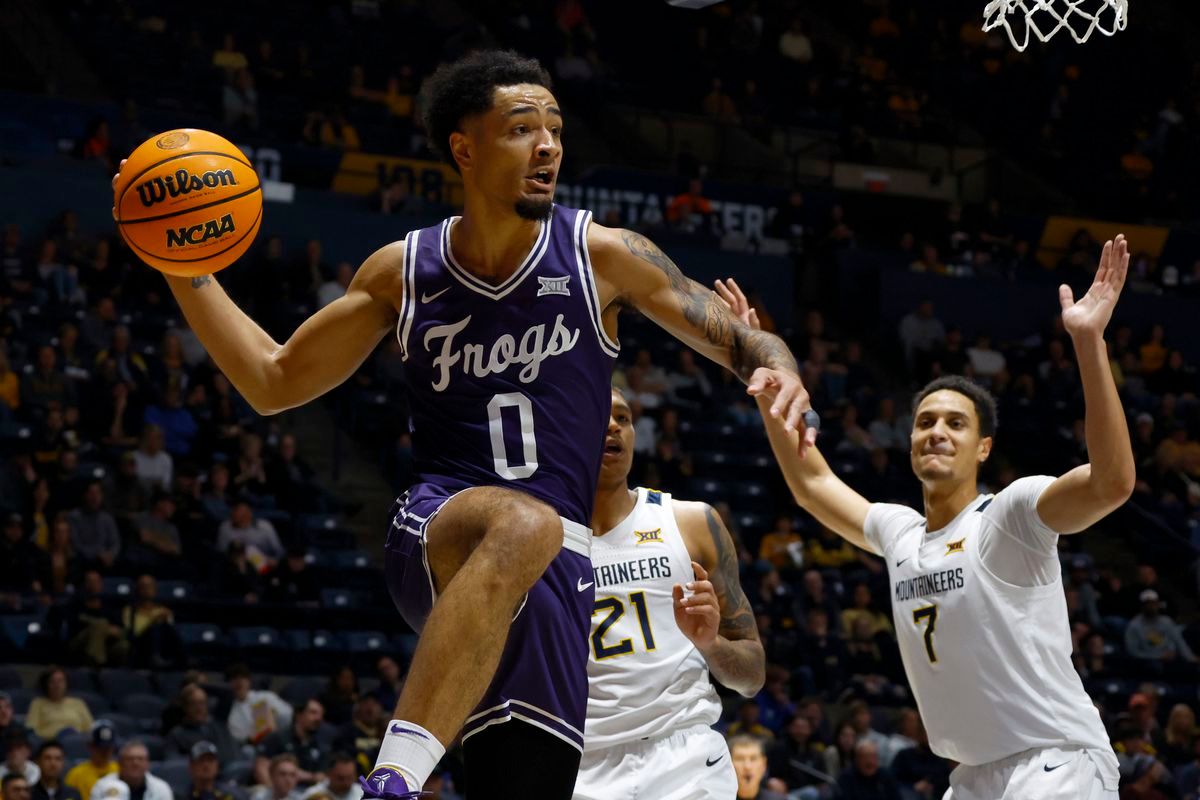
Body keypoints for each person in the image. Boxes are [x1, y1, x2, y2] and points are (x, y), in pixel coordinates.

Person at [112, 49, 810, 800]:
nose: (547, 145)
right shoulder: (404, 271)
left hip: (557, 577)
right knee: (524, 523)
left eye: (555, 129)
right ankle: (391, 782)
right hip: (441, 527)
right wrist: (186, 269)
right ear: (464, 148)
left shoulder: (603, 256)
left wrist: (780, 369)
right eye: (521, 128)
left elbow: (744, 340)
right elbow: (274, 380)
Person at [740, 236, 1137, 798]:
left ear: (983, 448)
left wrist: (1089, 343)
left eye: (956, 424)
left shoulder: (1009, 516)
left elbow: (1112, 482)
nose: (937, 432)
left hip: (1055, 763)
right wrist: (764, 386)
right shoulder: (900, 533)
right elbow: (813, 485)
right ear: (909, 445)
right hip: (971, 777)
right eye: (926, 421)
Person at [573, 389, 763, 799]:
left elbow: (752, 677)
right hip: (582, 764)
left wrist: (711, 644)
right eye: (597, 415)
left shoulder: (692, 523)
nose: (613, 426)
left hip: (686, 756)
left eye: (623, 418)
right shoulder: (541, 539)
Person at [225, 664, 293, 747]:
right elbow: (241, 740)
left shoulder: (266, 697)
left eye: (242, 677)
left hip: (282, 741)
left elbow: (289, 716)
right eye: (234, 679)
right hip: (255, 749)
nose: (238, 682)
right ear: (229, 684)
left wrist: (272, 717)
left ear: (249, 681)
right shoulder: (231, 714)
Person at [26, 667, 94, 740]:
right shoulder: (37, 703)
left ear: (66, 683)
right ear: (46, 684)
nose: (57, 685)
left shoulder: (78, 703)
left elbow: (90, 729)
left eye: (60, 681)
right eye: (52, 681)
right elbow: (31, 730)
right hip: (50, 743)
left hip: (76, 743)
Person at [89, 742, 172, 800]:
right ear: (120, 763)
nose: (135, 763)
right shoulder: (102, 786)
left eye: (140, 759)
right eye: (129, 759)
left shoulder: (161, 788)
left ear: (147, 764)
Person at [64, 722, 117, 800]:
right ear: (90, 747)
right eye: (100, 748)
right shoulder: (76, 774)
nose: (104, 752)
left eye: (108, 748)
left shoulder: (120, 770)